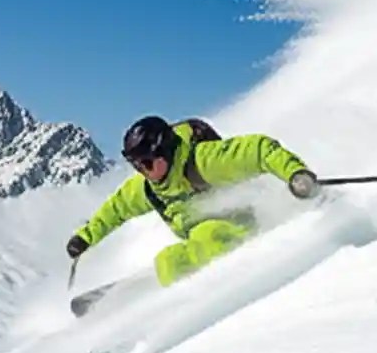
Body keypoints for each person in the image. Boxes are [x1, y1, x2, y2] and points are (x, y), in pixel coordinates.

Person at [65, 116, 320, 287]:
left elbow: (259, 149)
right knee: (171, 259)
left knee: (181, 255)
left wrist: (295, 174)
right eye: (135, 164)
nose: (142, 169)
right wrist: (86, 237)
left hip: (241, 226)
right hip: (201, 241)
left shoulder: (203, 162)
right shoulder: (149, 187)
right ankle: (180, 284)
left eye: (146, 162)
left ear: (164, 152)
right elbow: (116, 209)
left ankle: (191, 289)